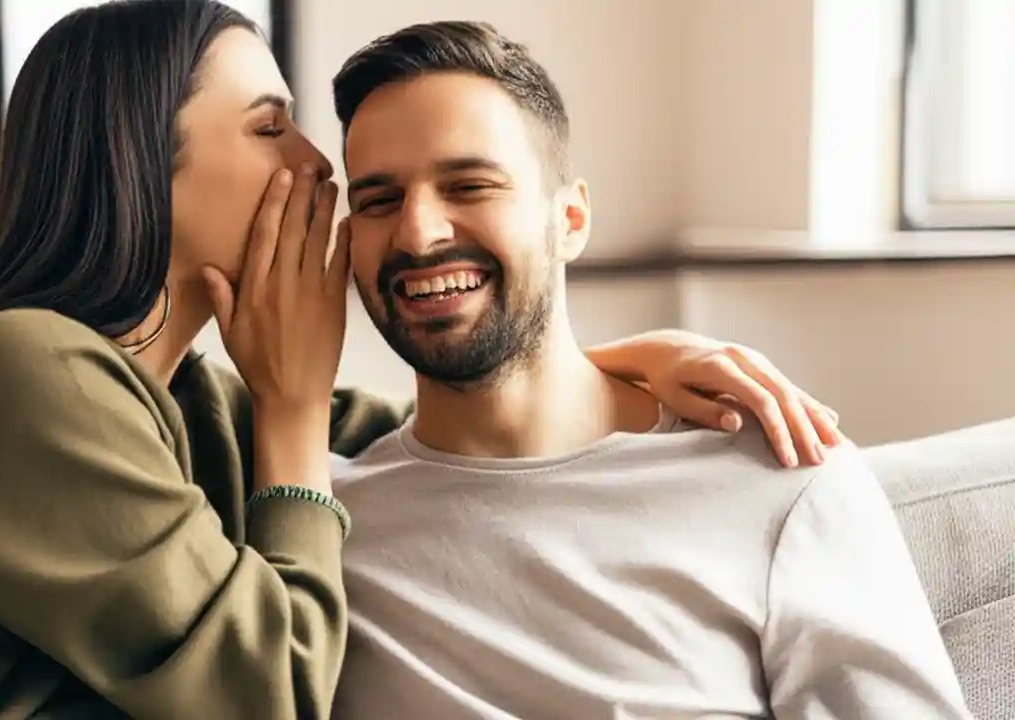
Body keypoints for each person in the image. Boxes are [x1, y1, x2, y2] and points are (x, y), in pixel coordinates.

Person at [0, 3, 839, 719]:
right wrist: (286, 417)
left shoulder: (180, 398)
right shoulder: (17, 374)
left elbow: (447, 431)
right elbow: (265, 693)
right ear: (144, 160)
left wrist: (635, 366)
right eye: (269, 126)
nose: (318, 163)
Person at [326, 20, 972, 720]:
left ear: (570, 219)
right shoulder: (325, 526)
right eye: (378, 201)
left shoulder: (783, 479)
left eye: (470, 185)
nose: (418, 233)